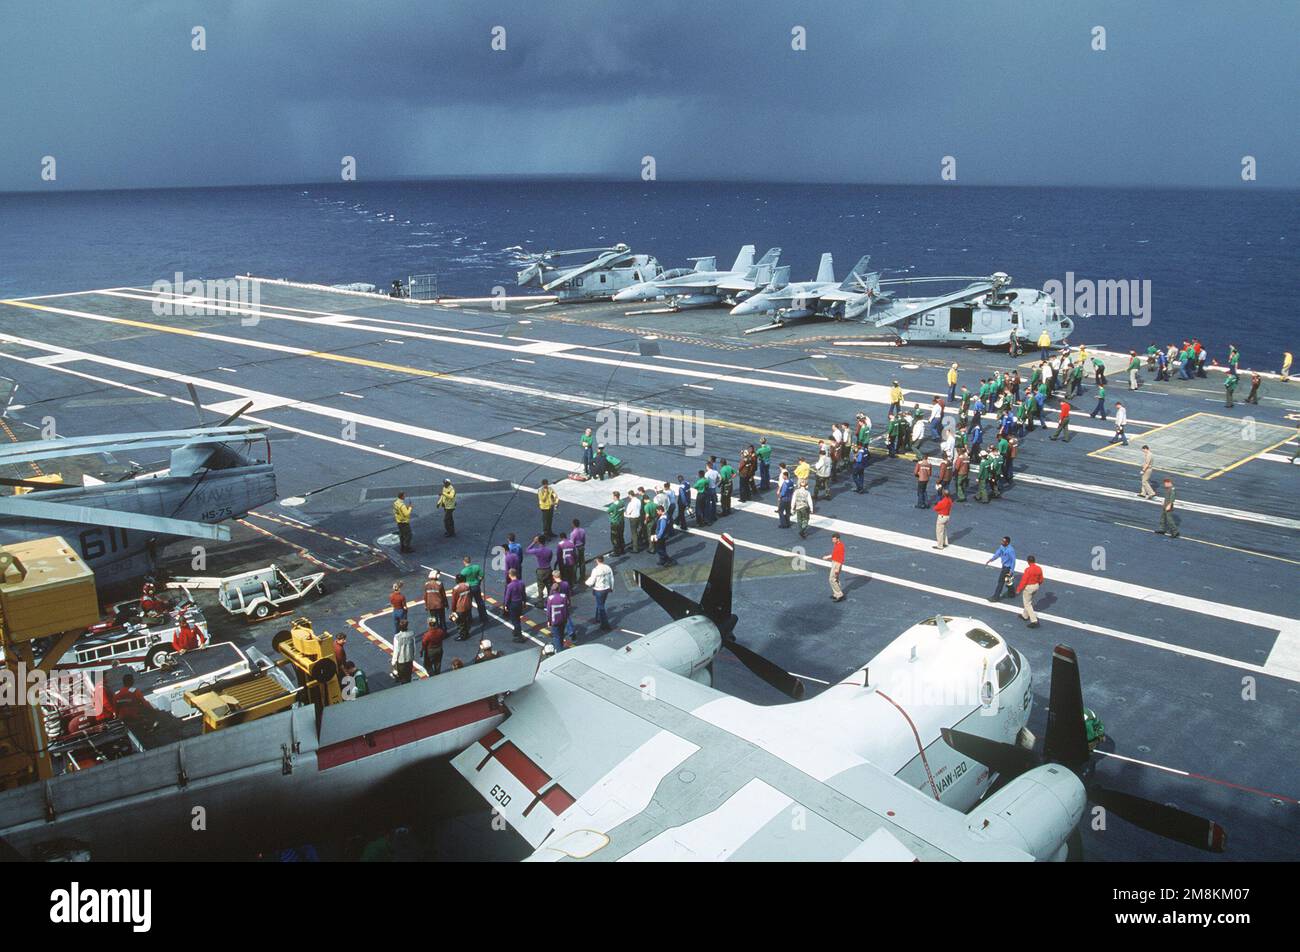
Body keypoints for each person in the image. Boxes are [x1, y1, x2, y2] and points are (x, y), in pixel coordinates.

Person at [585, 555, 614, 631]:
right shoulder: (608, 568)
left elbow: (591, 581)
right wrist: (611, 587)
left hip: (599, 590)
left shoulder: (595, 570)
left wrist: (586, 583)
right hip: (606, 588)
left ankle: (605, 624)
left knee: (601, 607)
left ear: (597, 560)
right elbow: (611, 578)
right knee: (601, 604)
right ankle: (597, 618)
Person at [985, 536, 1017, 601]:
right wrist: (992, 559)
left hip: (1007, 568)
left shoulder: (1010, 550)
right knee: (1008, 581)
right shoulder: (1002, 547)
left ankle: (996, 597)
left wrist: (1011, 570)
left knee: (1000, 582)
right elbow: (998, 553)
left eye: (1003, 541)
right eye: (1002, 541)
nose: (1002, 542)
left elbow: (1013, 561)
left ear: (1007, 543)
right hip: (1004, 566)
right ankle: (1012, 593)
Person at [526, 536, 554, 606]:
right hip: (548, 569)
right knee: (549, 586)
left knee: (540, 587)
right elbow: (550, 559)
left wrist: (533, 542)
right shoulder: (549, 550)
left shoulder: (537, 551)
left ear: (538, 542)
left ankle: (540, 602)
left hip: (541, 570)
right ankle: (550, 601)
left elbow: (527, 550)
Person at [460, 555, 486, 630]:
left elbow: (461, 581)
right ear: (470, 561)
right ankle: (483, 617)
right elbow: (481, 576)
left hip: (468, 588)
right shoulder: (476, 567)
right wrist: (478, 582)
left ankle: (469, 619)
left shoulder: (463, 571)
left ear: (464, 562)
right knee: (480, 602)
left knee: (468, 603)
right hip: (476, 586)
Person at [1017, 556, 1043, 628]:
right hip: (1036, 586)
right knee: (1028, 601)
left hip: (1029, 587)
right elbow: (1041, 579)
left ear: (1028, 561)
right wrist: (1038, 584)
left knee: (1027, 604)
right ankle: (1025, 615)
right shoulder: (1039, 568)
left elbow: (1024, 580)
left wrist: (1019, 589)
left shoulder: (1028, 570)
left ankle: (1034, 621)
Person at [544, 584, 570, 653]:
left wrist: (549, 620)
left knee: (556, 636)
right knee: (561, 635)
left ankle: (559, 651)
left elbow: (549, 611)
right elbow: (567, 607)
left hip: (554, 620)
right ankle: (560, 647)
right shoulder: (564, 596)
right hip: (563, 619)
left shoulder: (550, 598)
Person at [504, 568, 527, 642]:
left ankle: (520, 636)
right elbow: (524, 594)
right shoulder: (521, 583)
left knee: (515, 620)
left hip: (513, 604)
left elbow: (507, 597)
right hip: (519, 602)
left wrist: (506, 605)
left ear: (510, 575)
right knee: (518, 618)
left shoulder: (510, 586)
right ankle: (516, 631)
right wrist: (524, 602)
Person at [450, 574, 473, 640]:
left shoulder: (456, 588)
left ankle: (462, 635)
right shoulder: (468, 585)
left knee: (460, 622)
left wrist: (453, 610)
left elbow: (454, 600)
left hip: (460, 608)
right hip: (468, 606)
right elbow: (471, 595)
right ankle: (467, 633)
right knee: (467, 620)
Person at [825, 532, 846, 602]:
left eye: (834, 539)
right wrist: (828, 557)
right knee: (835, 579)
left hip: (837, 564)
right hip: (834, 562)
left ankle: (840, 594)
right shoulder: (837, 545)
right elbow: (835, 554)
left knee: (831, 579)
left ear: (838, 539)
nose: (832, 541)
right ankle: (836, 594)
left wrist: (837, 568)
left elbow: (841, 559)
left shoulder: (840, 546)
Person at [606, 491, 626, 556]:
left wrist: (612, 514)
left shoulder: (613, 505)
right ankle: (622, 549)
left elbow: (608, 511)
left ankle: (616, 551)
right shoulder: (622, 502)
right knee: (621, 535)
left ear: (615, 497)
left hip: (615, 523)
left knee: (614, 537)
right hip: (621, 521)